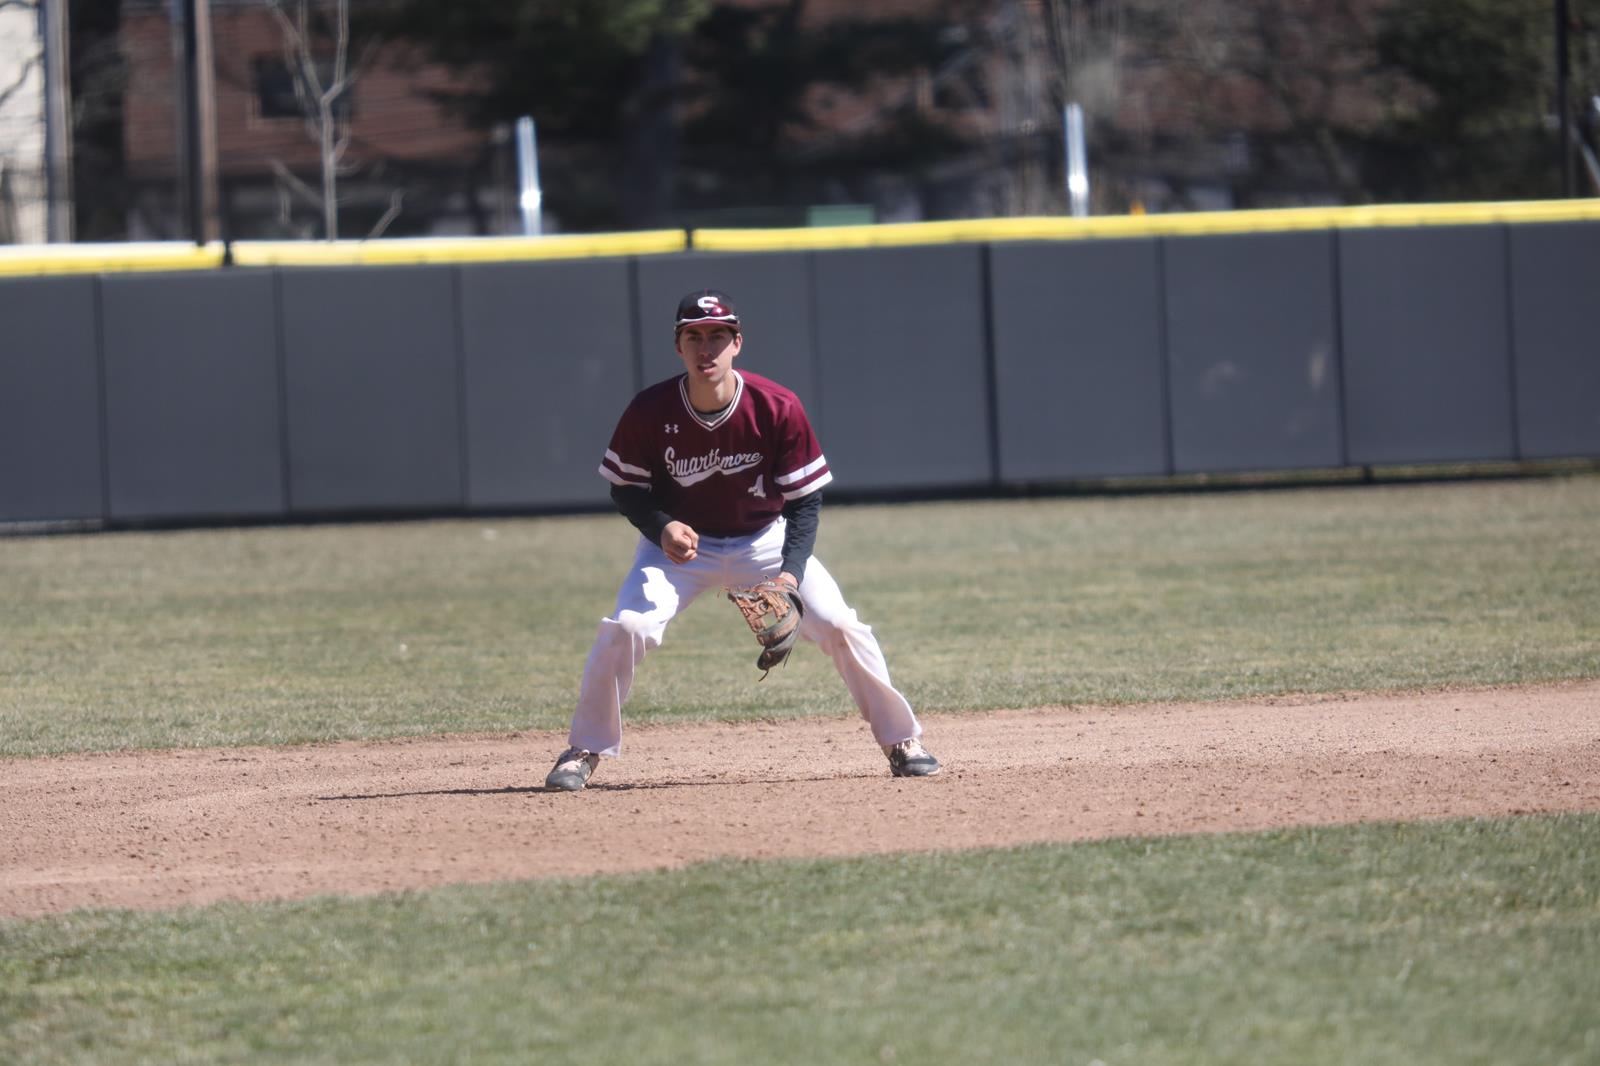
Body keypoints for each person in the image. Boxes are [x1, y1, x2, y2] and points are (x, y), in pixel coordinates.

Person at [545, 289, 941, 791]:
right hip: (680, 551)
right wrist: (661, 526)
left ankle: (902, 740)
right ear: (678, 346)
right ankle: (584, 748)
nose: (705, 347)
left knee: (840, 624)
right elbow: (624, 487)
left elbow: (804, 501)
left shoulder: (776, 406)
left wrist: (790, 575)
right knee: (627, 628)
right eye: (694, 336)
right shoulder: (650, 410)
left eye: (717, 336)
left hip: (764, 542)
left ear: (737, 343)